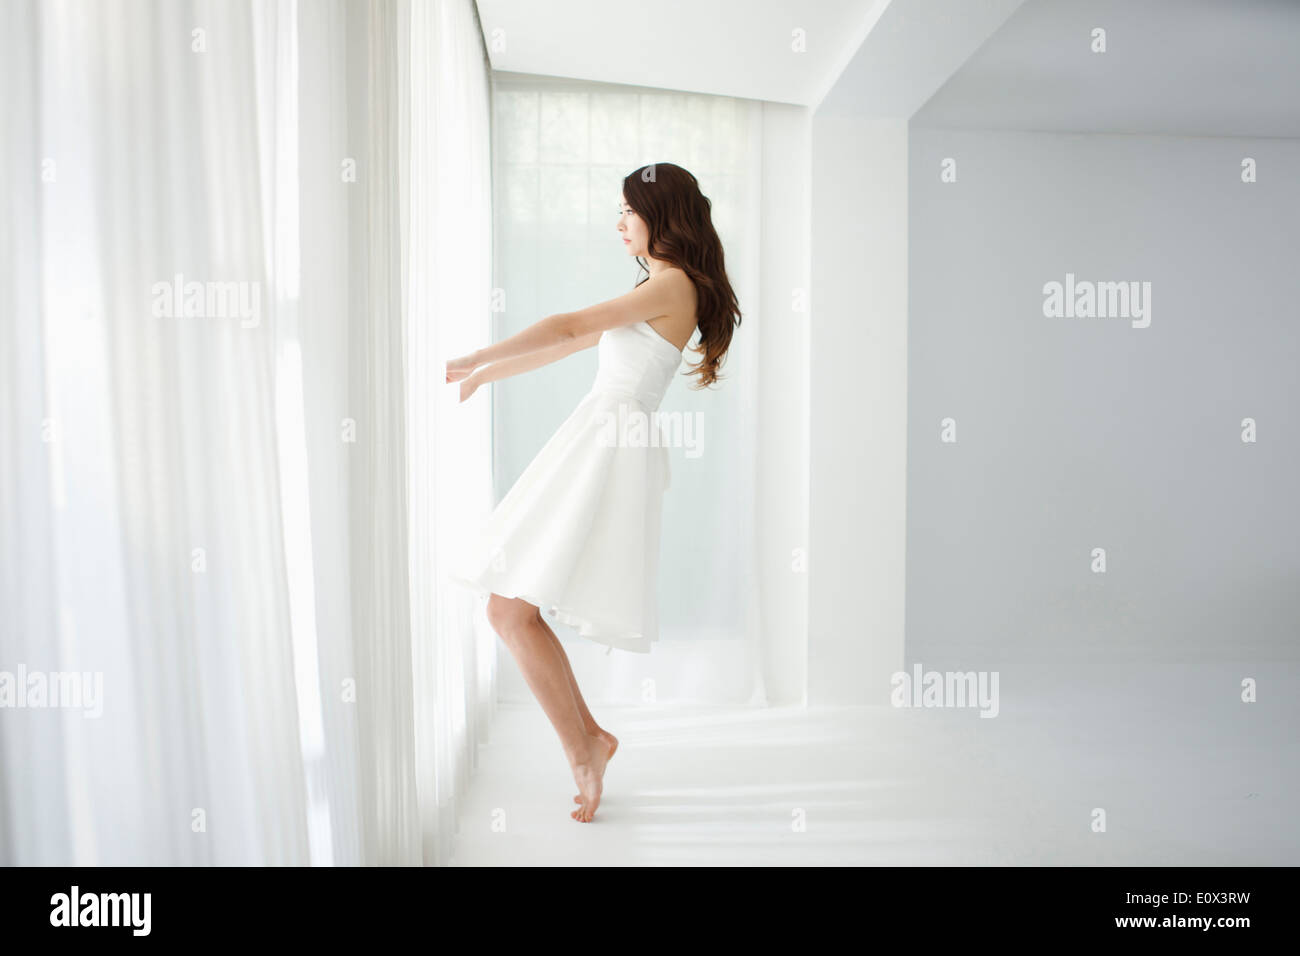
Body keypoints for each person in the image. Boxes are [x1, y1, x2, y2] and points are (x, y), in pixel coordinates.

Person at [445, 162, 741, 822]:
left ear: (659, 216)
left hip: (607, 448)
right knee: (511, 607)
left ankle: (586, 749)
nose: (619, 224)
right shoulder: (663, 285)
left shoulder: (671, 283)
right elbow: (567, 345)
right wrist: (486, 371)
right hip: (599, 439)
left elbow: (566, 323)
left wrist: (475, 356)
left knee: (510, 608)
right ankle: (590, 743)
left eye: (627, 212)